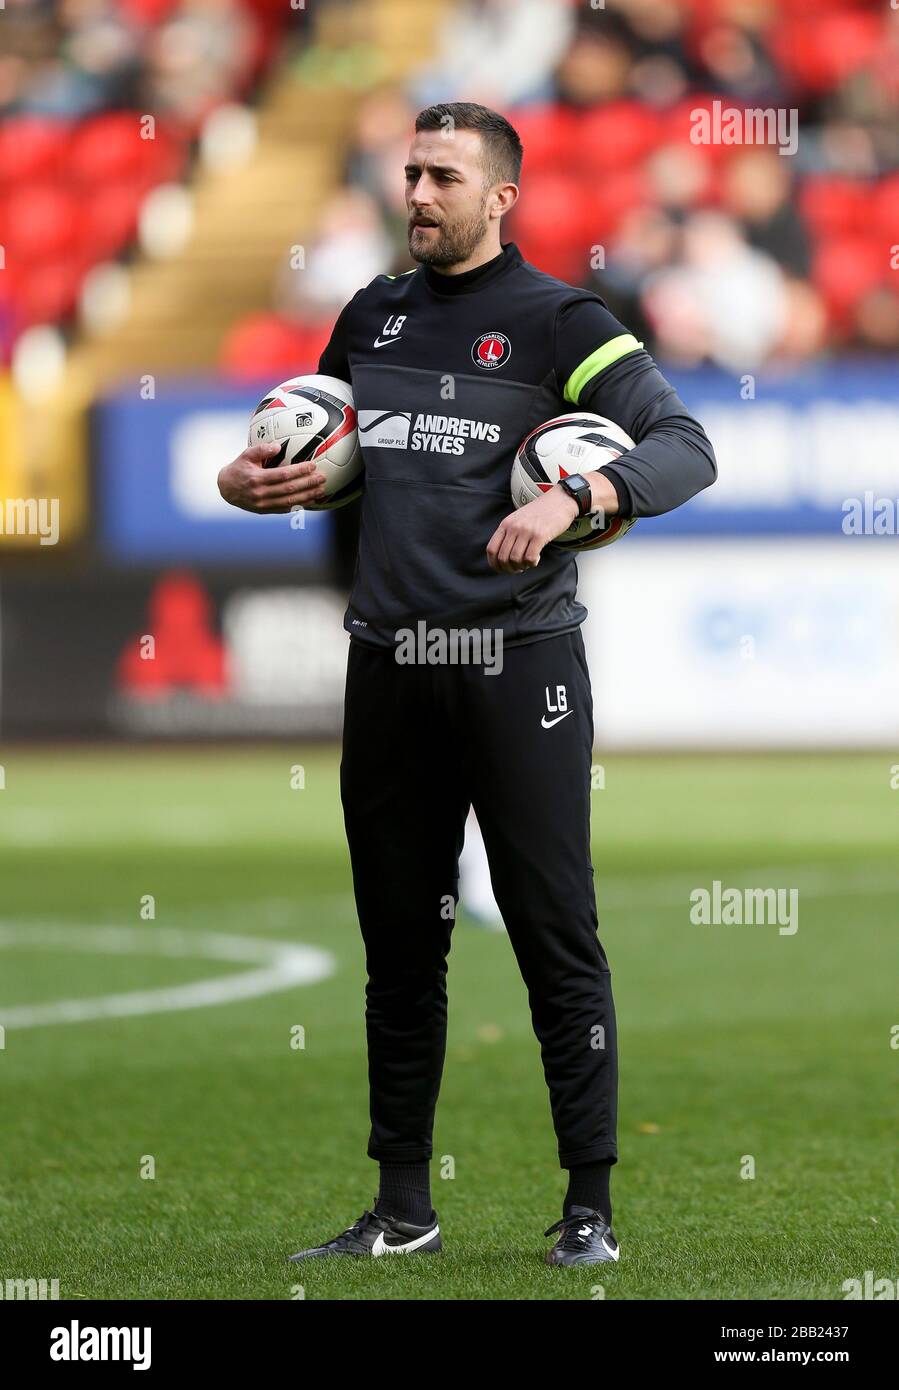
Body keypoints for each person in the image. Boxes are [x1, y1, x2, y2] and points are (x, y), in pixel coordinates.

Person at [218, 101, 717, 1267]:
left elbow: (685, 445)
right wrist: (256, 481)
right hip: (390, 665)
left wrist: (576, 498)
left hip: (515, 666)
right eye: (410, 173)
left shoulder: (560, 321)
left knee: (553, 931)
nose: (419, 194)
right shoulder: (371, 315)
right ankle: (403, 1208)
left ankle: (586, 1205)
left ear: (501, 197)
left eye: (443, 176)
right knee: (398, 946)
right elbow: (331, 456)